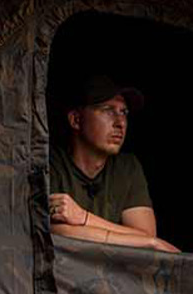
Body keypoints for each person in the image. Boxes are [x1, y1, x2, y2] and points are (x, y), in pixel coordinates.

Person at [49, 75, 180, 253]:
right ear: (76, 120)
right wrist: (143, 241)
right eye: (108, 110)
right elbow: (56, 233)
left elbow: (147, 236)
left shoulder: (127, 167)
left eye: (124, 112)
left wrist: (83, 218)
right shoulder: (50, 163)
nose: (120, 123)